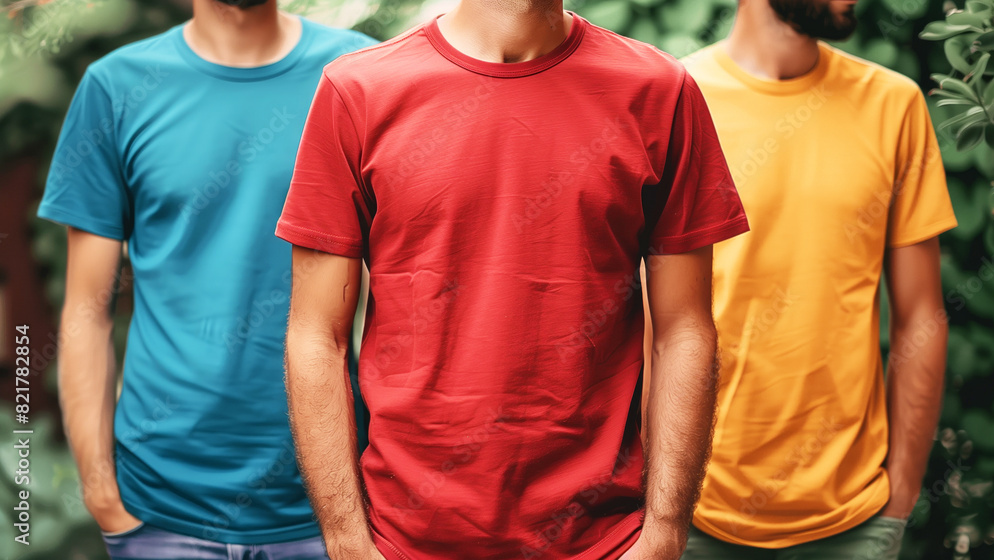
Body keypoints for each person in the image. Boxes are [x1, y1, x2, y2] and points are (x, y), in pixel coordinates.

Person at [275, 1, 750, 559]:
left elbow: (683, 330)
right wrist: (347, 539)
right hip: (403, 541)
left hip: (604, 542)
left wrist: (666, 531)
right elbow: (315, 335)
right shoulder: (358, 89)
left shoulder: (658, 89)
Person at [38, 0, 374, 557]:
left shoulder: (358, 72)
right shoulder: (116, 86)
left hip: (335, 515)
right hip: (159, 513)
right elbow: (84, 311)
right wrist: (103, 497)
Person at [675, 0, 956, 558]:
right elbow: (637, 319)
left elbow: (921, 315)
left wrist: (898, 500)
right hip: (690, 518)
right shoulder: (673, 101)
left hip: (855, 521)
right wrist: (656, 508)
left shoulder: (892, 105)